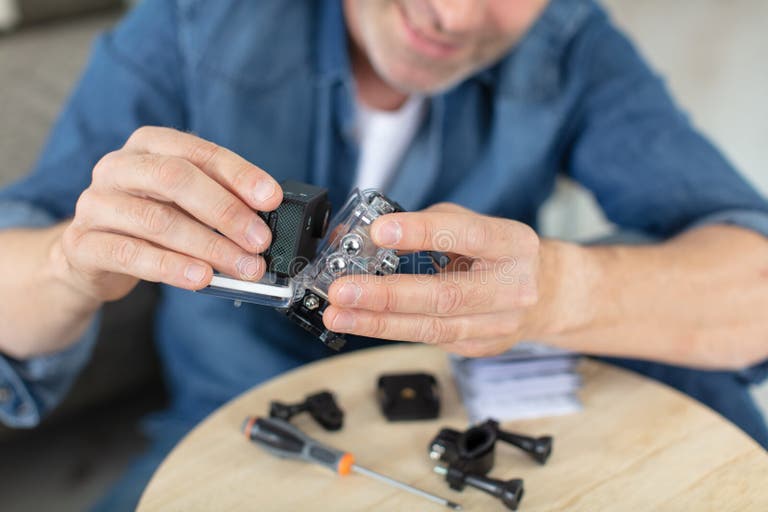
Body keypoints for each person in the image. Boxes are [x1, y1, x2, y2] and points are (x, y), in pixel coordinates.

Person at [1, 0, 767, 508]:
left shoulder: (572, 42)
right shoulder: (196, 17)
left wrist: (559, 291)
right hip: (234, 434)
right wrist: (68, 260)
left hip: (468, 430)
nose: (455, 15)